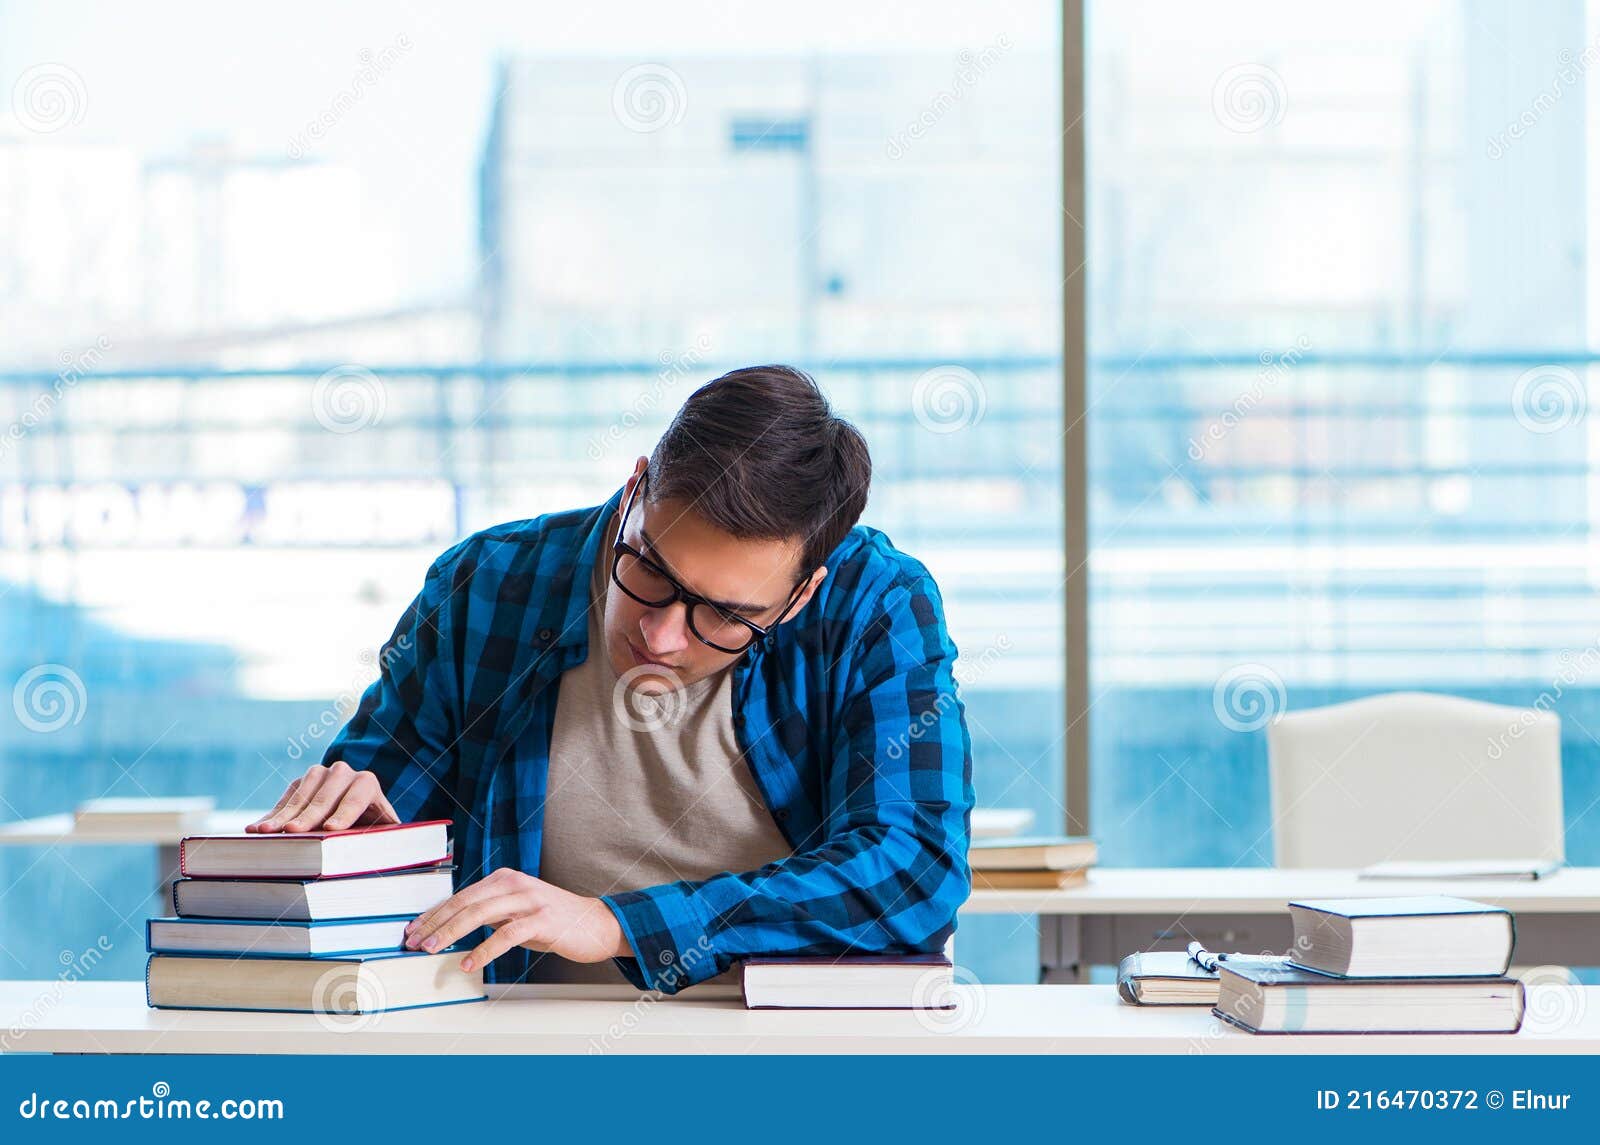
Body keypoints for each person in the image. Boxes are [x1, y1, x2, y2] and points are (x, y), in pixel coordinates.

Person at [247, 364, 973, 993]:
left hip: (782, 1048)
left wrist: (617, 924)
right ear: (635, 488)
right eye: (650, 570)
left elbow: (914, 867)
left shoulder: (876, 605)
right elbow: (374, 844)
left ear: (800, 595)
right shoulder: (486, 585)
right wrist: (356, 837)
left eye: (723, 616)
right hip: (520, 1046)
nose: (660, 635)